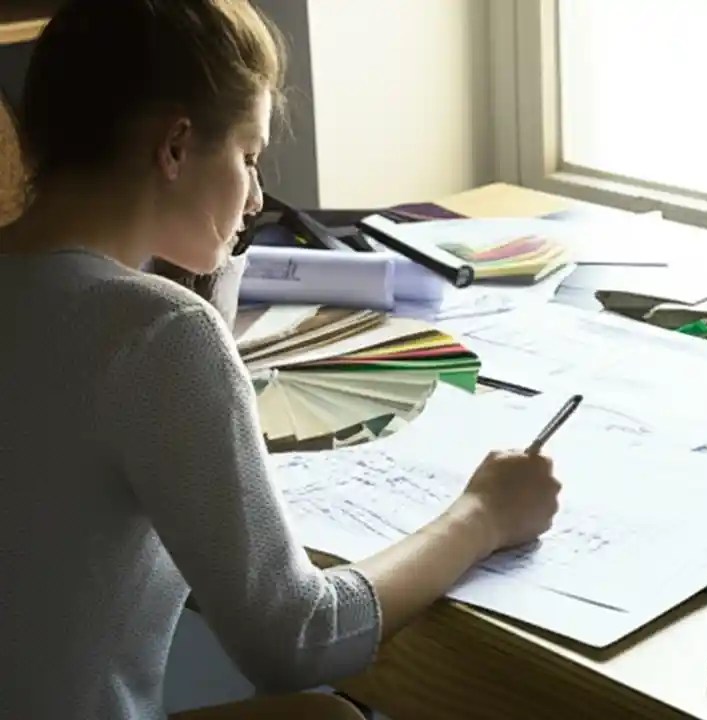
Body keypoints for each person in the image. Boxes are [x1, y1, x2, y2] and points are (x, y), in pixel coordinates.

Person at [0, 2, 562, 719]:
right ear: (175, 146)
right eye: (249, 156)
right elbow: (296, 642)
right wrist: (484, 514)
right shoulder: (158, 332)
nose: (258, 197)